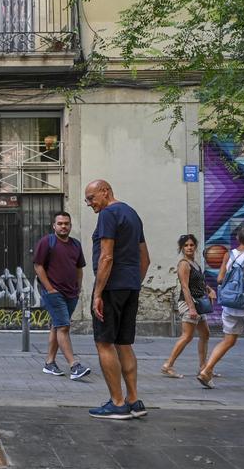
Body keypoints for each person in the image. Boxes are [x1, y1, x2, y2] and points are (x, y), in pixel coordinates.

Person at [85, 180, 150, 420]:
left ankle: (117, 402)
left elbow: (106, 256)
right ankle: (134, 400)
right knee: (124, 343)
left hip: (111, 286)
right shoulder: (132, 214)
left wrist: (98, 293)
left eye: (91, 198)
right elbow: (146, 259)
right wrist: (134, 282)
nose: (90, 204)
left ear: (105, 191)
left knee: (104, 343)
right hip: (130, 286)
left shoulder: (108, 213)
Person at [197, 224, 244, 392]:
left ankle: (206, 370)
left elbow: (219, 279)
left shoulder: (227, 255)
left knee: (228, 340)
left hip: (230, 306)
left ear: (238, 238)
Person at [34, 211, 91, 380]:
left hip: (71, 293)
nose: (63, 226)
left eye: (66, 223)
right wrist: (50, 289)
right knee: (64, 327)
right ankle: (74, 366)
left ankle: (49, 363)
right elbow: (38, 266)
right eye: (60, 223)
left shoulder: (75, 245)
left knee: (57, 326)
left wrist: (78, 288)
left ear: (70, 226)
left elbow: (79, 268)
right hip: (54, 293)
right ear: (54, 226)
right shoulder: (47, 242)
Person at [161, 234, 216, 378]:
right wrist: (191, 308)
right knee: (187, 336)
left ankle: (203, 367)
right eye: (186, 245)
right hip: (188, 303)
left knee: (205, 334)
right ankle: (168, 365)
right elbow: (185, 287)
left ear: (196, 247)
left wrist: (209, 289)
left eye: (191, 245)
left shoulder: (195, 264)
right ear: (182, 248)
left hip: (198, 303)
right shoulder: (184, 264)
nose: (189, 247)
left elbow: (198, 283)